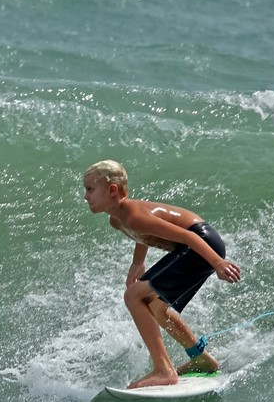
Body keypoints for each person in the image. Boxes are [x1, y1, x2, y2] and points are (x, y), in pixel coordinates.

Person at [83, 160, 242, 389]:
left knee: (133, 296)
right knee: (156, 307)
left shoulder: (134, 215)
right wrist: (138, 263)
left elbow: (188, 237)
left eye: (90, 189)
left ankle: (164, 370)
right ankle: (201, 359)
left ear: (112, 190)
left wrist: (218, 263)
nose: (86, 196)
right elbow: (143, 235)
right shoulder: (117, 220)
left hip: (200, 243)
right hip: (192, 248)